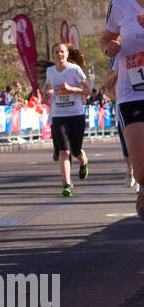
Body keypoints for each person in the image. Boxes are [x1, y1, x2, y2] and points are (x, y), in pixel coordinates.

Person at [101, 0, 144, 219]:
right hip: (132, 91)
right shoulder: (119, 5)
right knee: (141, 170)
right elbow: (107, 38)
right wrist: (109, 48)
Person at [44, 42, 91, 197]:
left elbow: (88, 90)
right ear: (53, 55)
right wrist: (49, 93)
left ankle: (83, 162)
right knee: (64, 151)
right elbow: (49, 88)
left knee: (76, 150)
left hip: (75, 114)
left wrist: (71, 89)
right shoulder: (50, 71)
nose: (60, 55)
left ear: (67, 54)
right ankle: (67, 184)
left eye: (62, 52)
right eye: (56, 52)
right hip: (58, 115)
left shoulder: (74, 70)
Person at [102, 62, 136, 190]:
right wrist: (116, 74)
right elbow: (107, 89)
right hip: (123, 113)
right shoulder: (116, 63)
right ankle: (130, 169)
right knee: (126, 148)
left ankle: (139, 177)